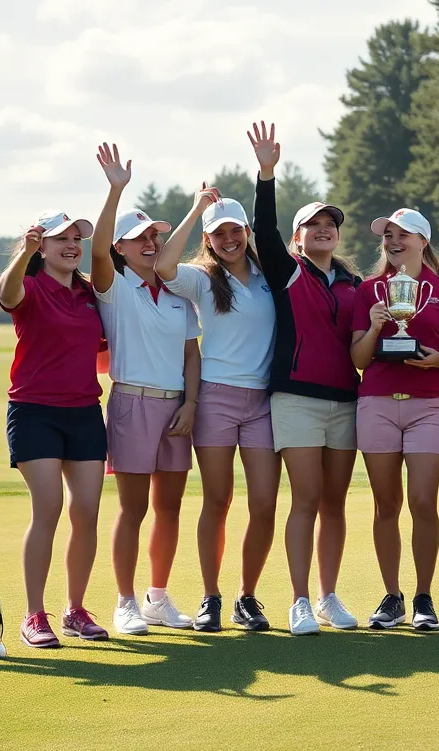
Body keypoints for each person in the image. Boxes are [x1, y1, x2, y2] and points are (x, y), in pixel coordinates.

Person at [248, 122, 361, 635]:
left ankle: (328, 596)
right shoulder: (287, 270)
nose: (322, 230)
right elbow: (264, 232)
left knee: (335, 501)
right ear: (299, 237)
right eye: (312, 225)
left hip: (347, 400)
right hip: (295, 399)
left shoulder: (356, 284)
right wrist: (267, 175)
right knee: (308, 497)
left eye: (329, 225)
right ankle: (298, 599)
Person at [155, 188, 280, 633]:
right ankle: (211, 597)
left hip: (264, 400)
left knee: (265, 501)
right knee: (218, 499)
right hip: (216, 398)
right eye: (219, 233)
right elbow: (163, 266)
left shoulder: (270, 276)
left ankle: (247, 597)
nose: (229, 239)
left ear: (247, 232)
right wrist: (195, 210)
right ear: (208, 240)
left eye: (235, 231)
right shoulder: (204, 279)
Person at [89, 143, 201, 636]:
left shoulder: (177, 293)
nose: (151, 243)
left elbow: (191, 355)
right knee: (132, 509)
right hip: (132, 403)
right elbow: (95, 250)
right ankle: (126, 602)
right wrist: (116, 190)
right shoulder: (112, 286)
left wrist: (193, 403)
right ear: (121, 248)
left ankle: (158, 597)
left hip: (177, 406)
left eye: (154, 235)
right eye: (139, 239)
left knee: (169, 507)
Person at [350, 209, 439, 630]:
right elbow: (359, 359)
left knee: (422, 501)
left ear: (423, 241)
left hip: (426, 406)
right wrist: (372, 326)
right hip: (377, 402)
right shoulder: (369, 292)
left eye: (403, 234)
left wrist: (436, 360)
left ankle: (423, 597)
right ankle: (392, 597)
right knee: (387, 504)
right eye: (388, 235)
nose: (393, 240)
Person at [0, 208, 108, 648]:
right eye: (60, 238)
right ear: (41, 246)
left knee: (87, 511)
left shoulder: (90, 292)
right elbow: (5, 296)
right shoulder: (29, 286)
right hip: (34, 410)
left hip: (84, 411)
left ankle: (75, 611)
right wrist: (22, 255)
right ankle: (34, 615)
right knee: (48, 507)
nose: (71, 245)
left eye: (76, 239)